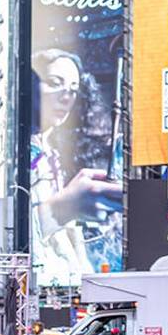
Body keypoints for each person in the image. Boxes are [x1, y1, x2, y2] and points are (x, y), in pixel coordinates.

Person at [30, 50, 123, 285]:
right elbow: (14, 236)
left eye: (73, 88)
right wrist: (63, 208)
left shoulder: (53, 153)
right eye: (54, 83)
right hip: (38, 279)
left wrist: (86, 275)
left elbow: (69, 229)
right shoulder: (18, 154)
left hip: (63, 279)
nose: (66, 96)